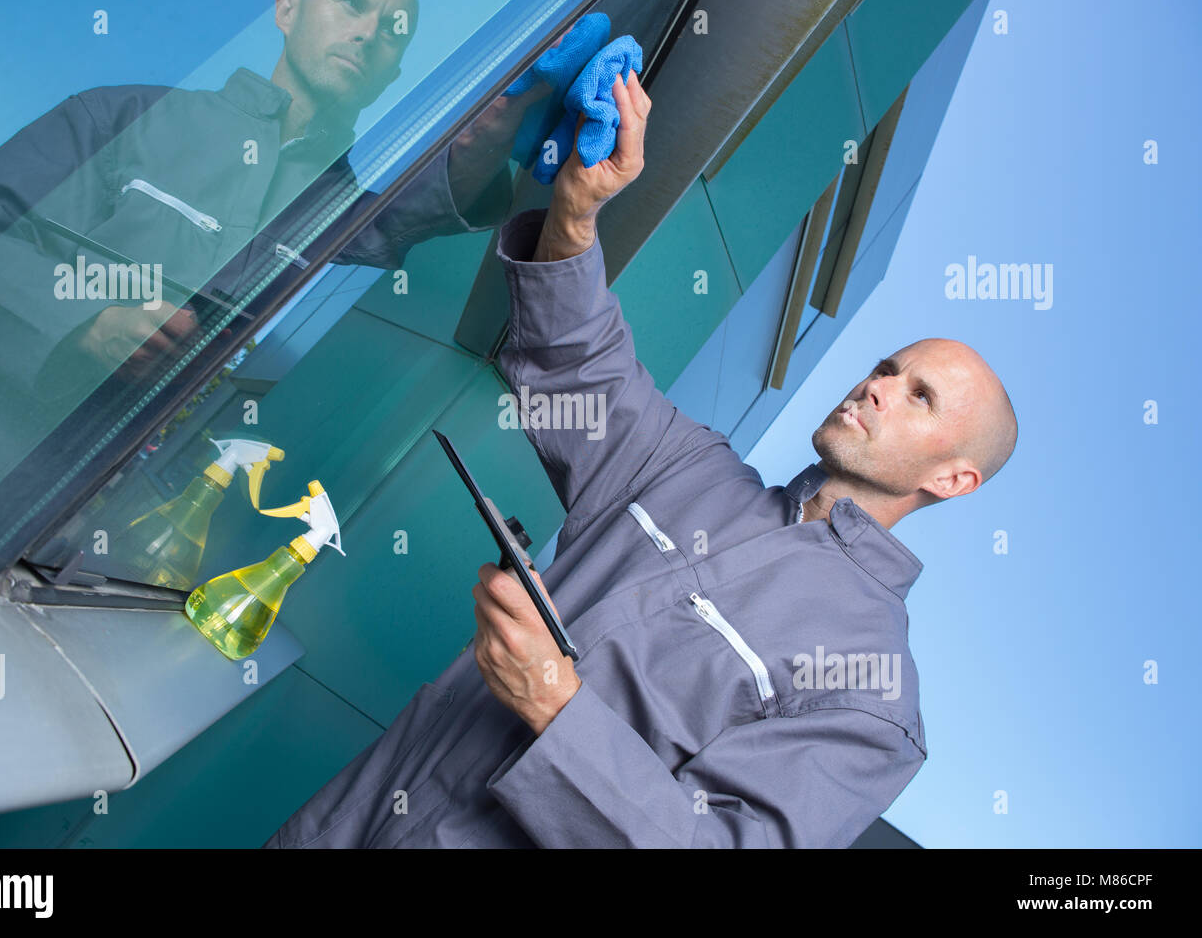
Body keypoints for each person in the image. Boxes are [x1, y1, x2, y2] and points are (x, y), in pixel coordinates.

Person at [263, 69, 1019, 848]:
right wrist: (579, 209)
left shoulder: (873, 695)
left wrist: (555, 707)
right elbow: (576, 362)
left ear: (952, 479)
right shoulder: (689, 471)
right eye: (888, 368)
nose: (878, 387)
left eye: (919, 396)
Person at [0, 0, 535, 544]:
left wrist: (528, 100)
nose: (370, 31)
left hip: (119, 565)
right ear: (287, 8)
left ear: (395, 73)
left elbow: (438, 193)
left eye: (396, 31)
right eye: (351, 2)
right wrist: (86, 322)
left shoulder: (350, 225)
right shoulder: (120, 119)